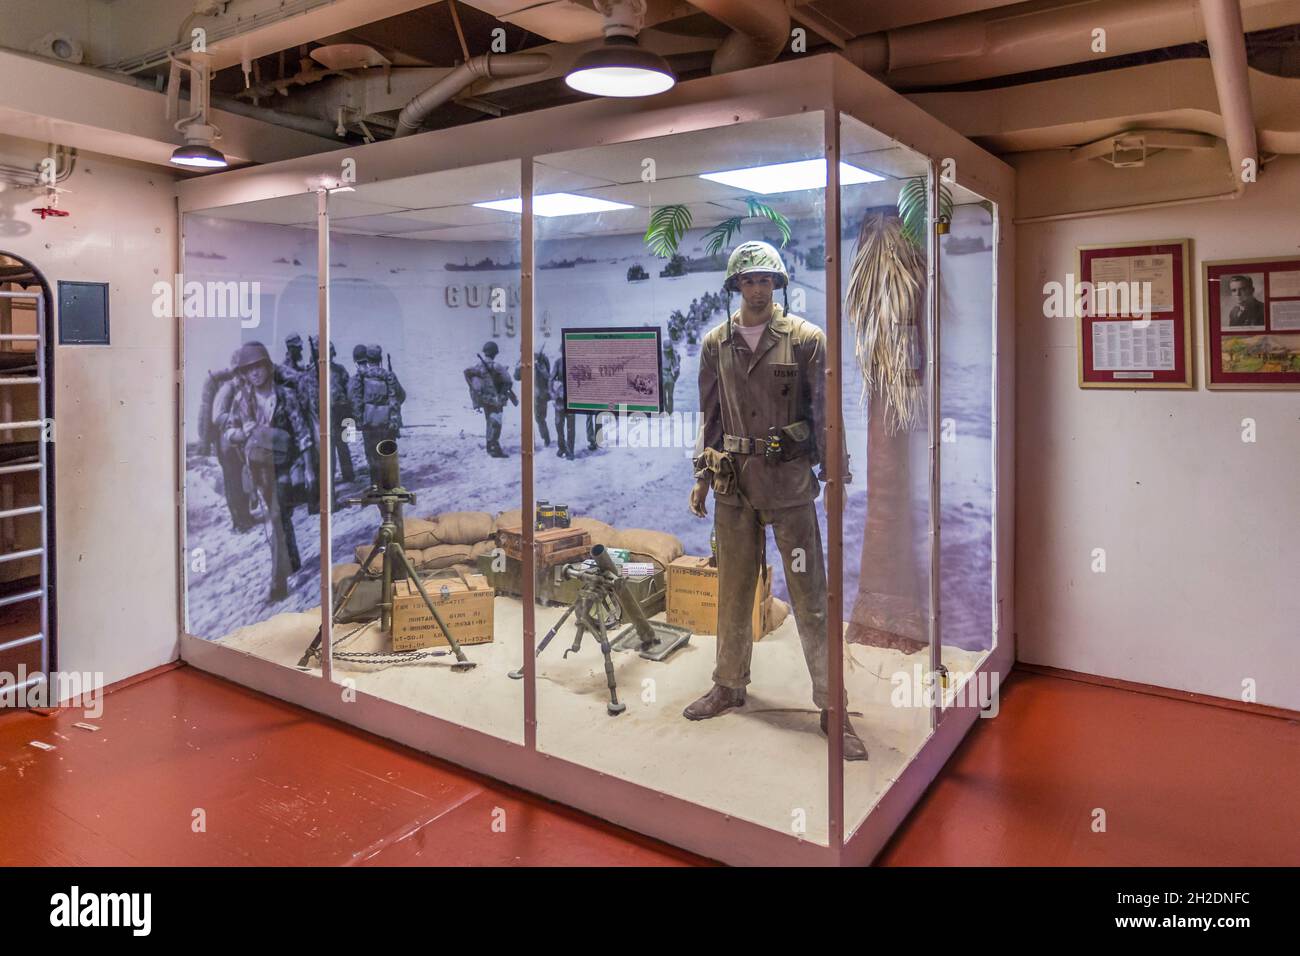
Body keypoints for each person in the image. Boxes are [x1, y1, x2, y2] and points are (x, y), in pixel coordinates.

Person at [685, 240, 867, 761]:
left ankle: (834, 707)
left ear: (777, 285)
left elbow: (827, 412)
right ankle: (728, 683)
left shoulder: (807, 340)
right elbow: (711, 418)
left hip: (789, 487)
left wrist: (835, 477)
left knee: (811, 599)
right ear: (736, 287)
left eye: (766, 280)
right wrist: (702, 475)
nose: (758, 288)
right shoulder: (716, 344)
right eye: (749, 280)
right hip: (734, 488)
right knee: (733, 592)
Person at [222, 341, 313, 603]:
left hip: (285, 467)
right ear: (244, 373)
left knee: (275, 516)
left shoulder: (286, 396)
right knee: (280, 517)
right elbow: (229, 432)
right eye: (249, 370)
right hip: (258, 470)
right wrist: (243, 432)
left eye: (259, 367)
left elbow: (302, 432)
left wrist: (308, 469)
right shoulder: (241, 400)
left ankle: (278, 584)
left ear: (267, 366)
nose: (255, 373)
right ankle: (293, 561)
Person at [210, 349, 254, 533]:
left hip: (240, 442)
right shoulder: (227, 389)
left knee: (242, 480)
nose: (243, 374)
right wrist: (237, 418)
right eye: (240, 370)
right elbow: (217, 416)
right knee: (232, 482)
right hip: (228, 445)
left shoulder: (244, 388)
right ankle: (238, 521)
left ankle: (246, 516)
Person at [350, 344, 406, 482]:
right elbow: (401, 396)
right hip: (387, 422)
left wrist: (359, 420)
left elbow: (354, 399)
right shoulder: (389, 376)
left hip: (369, 422)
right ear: (380, 358)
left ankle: (376, 484)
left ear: (367, 359)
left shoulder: (360, 376)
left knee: (372, 456)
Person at [465, 340, 515, 458]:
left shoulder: (478, 366)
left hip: (485, 399)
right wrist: (502, 393)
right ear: (495, 353)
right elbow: (508, 382)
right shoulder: (497, 366)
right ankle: (494, 448)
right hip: (496, 399)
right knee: (496, 422)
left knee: (490, 421)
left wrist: (475, 392)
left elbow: (468, 375)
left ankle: (489, 446)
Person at [515, 347, 551, 448]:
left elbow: (547, 376)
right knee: (538, 419)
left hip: (538, 394)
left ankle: (544, 439)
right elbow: (517, 377)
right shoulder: (525, 359)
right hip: (536, 394)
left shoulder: (540, 359)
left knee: (537, 418)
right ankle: (543, 439)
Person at [661, 328, 681, 415]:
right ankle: (668, 413)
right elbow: (677, 370)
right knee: (668, 397)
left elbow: (677, 369)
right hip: (668, 377)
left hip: (664, 377)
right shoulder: (673, 354)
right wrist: (674, 379)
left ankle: (668, 413)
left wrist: (674, 378)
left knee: (666, 397)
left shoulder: (672, 354)